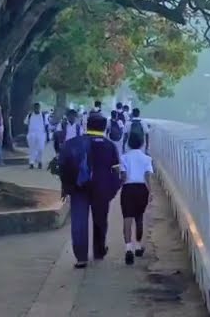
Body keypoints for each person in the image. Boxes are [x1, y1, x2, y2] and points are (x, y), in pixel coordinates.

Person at [59, 112, 122, 268]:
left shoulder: (73, 143)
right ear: (104, 127)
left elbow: (63, 166)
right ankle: (99, 251)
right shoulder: (109, 146)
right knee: (100, 221)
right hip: (101, 190)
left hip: (78, 187)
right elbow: (116, 172)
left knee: (79, 221)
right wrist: (113, 190)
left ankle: (81, 257)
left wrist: (66, 187)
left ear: (87, 125)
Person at [119, 129, 154, 264]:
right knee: (139, 218)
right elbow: (147, 176)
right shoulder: (147, 158)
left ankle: (128, 249)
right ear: (142, 143)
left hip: (128, 188)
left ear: (128, 143)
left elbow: (123, 176)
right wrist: (150, 192)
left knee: (127, 219)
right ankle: (138, 246)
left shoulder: (124, 157)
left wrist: (118, 185)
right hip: (141, 189)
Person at [24, 103, 48, 169]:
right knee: (32, 149)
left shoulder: (43, 116)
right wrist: (26, 134)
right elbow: (26, 124)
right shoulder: (30, 115)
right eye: (35, 107)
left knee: (41, 148)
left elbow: (46, 125)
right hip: (31, 134)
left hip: (41, 134)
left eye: (38, 107)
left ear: (39, 108)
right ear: (33, 108)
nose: (36, 109)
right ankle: (31, 163)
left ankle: (39, 161)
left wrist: (47, 136)